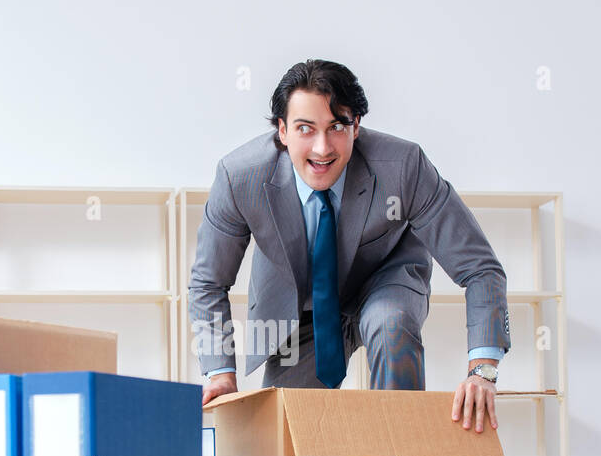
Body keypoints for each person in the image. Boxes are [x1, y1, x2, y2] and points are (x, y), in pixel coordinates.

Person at [188, 58, 511, 433]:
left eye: (337, 126)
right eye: (305, 129)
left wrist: (483, 371)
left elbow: (480, 267)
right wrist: (220, 371)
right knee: (286, 434)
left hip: (386, 281)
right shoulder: (239, 177)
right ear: (282, 131)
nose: (322, 148)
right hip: (300, 309)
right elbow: (208, 282)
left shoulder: (403, 166)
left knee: (390, 324)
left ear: (356, 126)